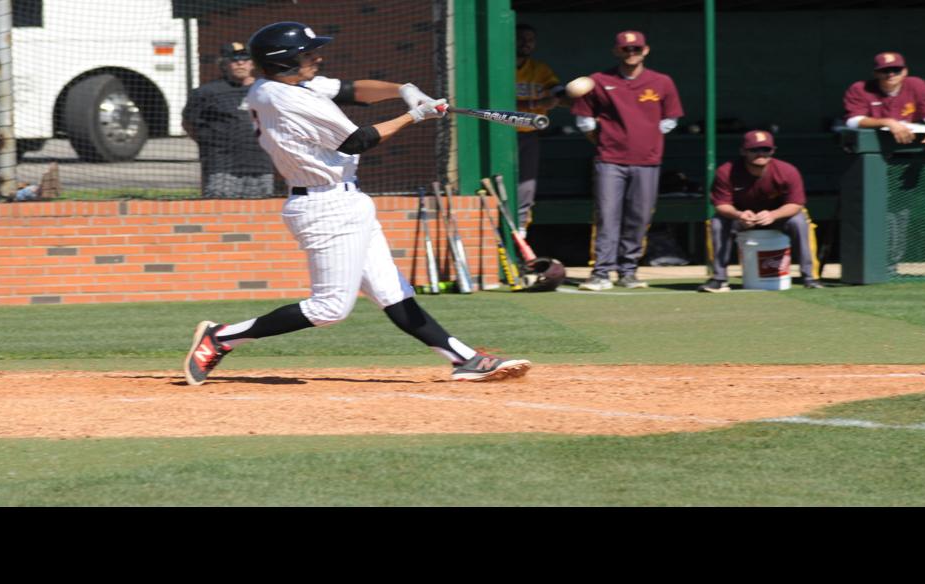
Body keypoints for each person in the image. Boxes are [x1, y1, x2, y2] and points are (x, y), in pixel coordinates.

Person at [182, 21, 530, 386]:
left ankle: (466, 359)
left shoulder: (286, 84)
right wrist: (415, 116)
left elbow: (352, 91)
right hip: (323, 207)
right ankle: (222, 337)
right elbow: (357, 141)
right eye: (307, 54)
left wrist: (404, 90)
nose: (316, 58)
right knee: (329, 309)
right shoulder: (286, 98)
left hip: (347, 201)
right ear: (283, 62)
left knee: (393, 292)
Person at [570, 29, 683, 291]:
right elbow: (584, 120)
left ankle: (628, 271)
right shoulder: (599, 80)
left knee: (639, 217)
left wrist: (646, 138)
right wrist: (608, 140)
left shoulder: (662, 81)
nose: (631, 53)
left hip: (648, 160)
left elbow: (670, 120)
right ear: (616, 51)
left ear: (645, 50)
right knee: (607, 215)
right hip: (610, 159)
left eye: (636, 49)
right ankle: (601, 272)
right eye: (625, 49)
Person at [700, 130, 821, 293]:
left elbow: (796, 204)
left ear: (773, 151)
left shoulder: (787, 171)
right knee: (716, 223)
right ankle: (718, 278)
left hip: (778, 216)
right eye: (754, 150)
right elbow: (721, 205)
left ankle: (810, 277)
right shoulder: (726, 171)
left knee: (800, 221)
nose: (761, 154)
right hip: (742, 217)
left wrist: (773, 215)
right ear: (743, 151)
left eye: (766, 149)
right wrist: (739, 215)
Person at [183, 41, 277, 198]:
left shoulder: (267, 90)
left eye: (245, 58)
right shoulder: (207, 92)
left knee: (261, 210)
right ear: (223, 64)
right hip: (221, 167)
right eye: (234, 59)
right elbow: (189, 123)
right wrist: (211, 142)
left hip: (261, 166)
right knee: (220, 208)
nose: (240, 63)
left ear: (252, 63)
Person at [513, 24, 572, 228]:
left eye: (530, 39)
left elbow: (557, 92)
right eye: (521, 38)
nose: (526, 43)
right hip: (502, 134)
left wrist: (567, 98)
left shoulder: (540, 69)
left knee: (527, 185)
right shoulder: (500, 66)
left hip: (529, 134)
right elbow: (498, 104)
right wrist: (536, 104)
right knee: (501, 181)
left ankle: (521, 228)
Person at [842, 52, 925, 149]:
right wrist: (888, 122)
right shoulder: (860, 88)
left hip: (910, 142)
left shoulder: (917, 85)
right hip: (874, 143)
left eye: (896, 70)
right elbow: (853, 121)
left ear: (905, 71)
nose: (891, 74)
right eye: (884, 70)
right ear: (875, 73)